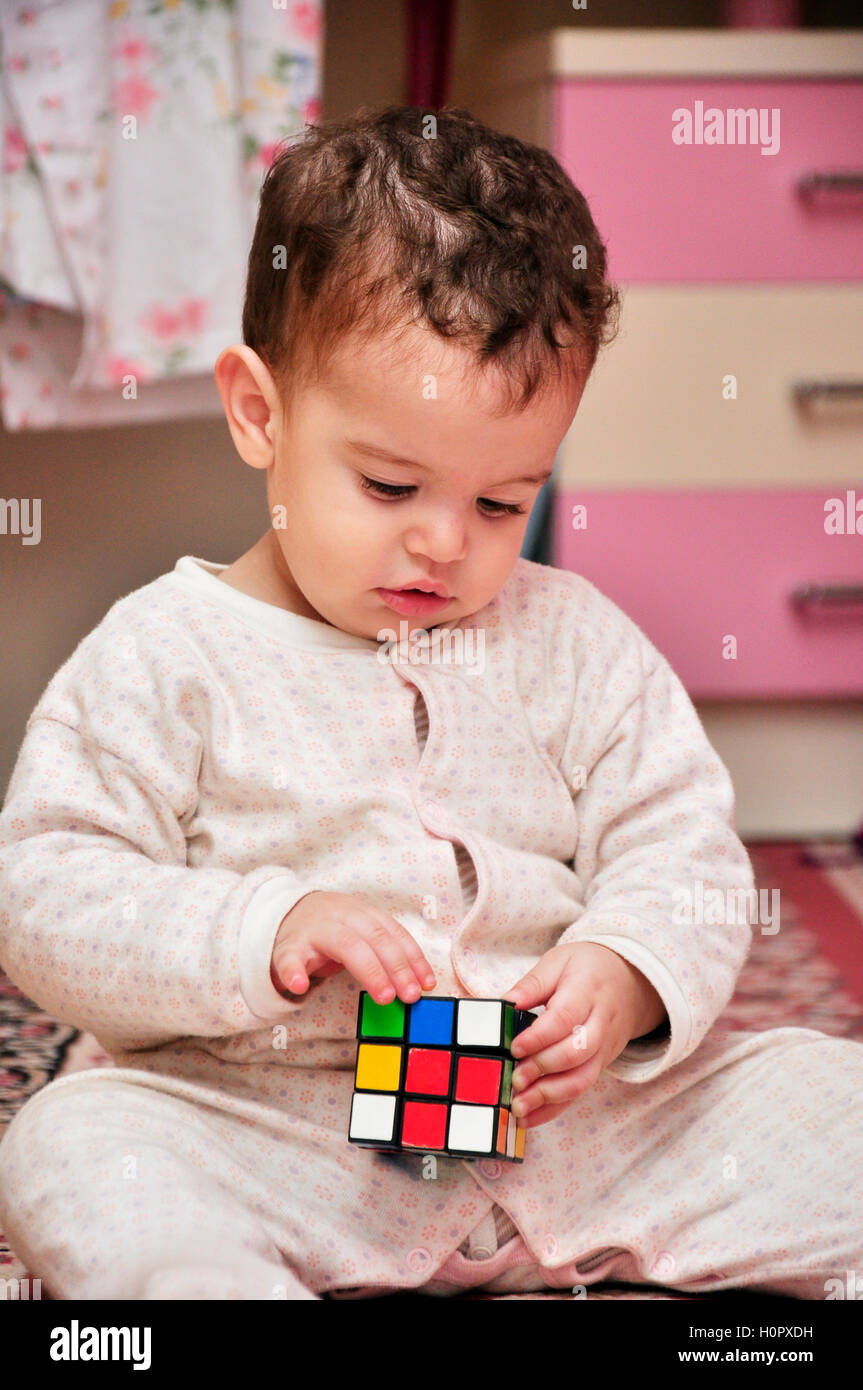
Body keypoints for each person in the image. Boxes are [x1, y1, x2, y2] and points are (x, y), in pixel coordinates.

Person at [0, 105, 860, 1301]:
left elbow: (683, 847)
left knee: (832, 1100)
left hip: (577, 1132)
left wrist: (628, 968)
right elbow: (46, 892)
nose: (444, 544)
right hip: (276, 1130)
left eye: (504, 502)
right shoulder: (162, 654)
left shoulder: (572, 640)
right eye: (390, 482)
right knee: (70, 1146)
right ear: (260, 411)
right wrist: (265, 925)